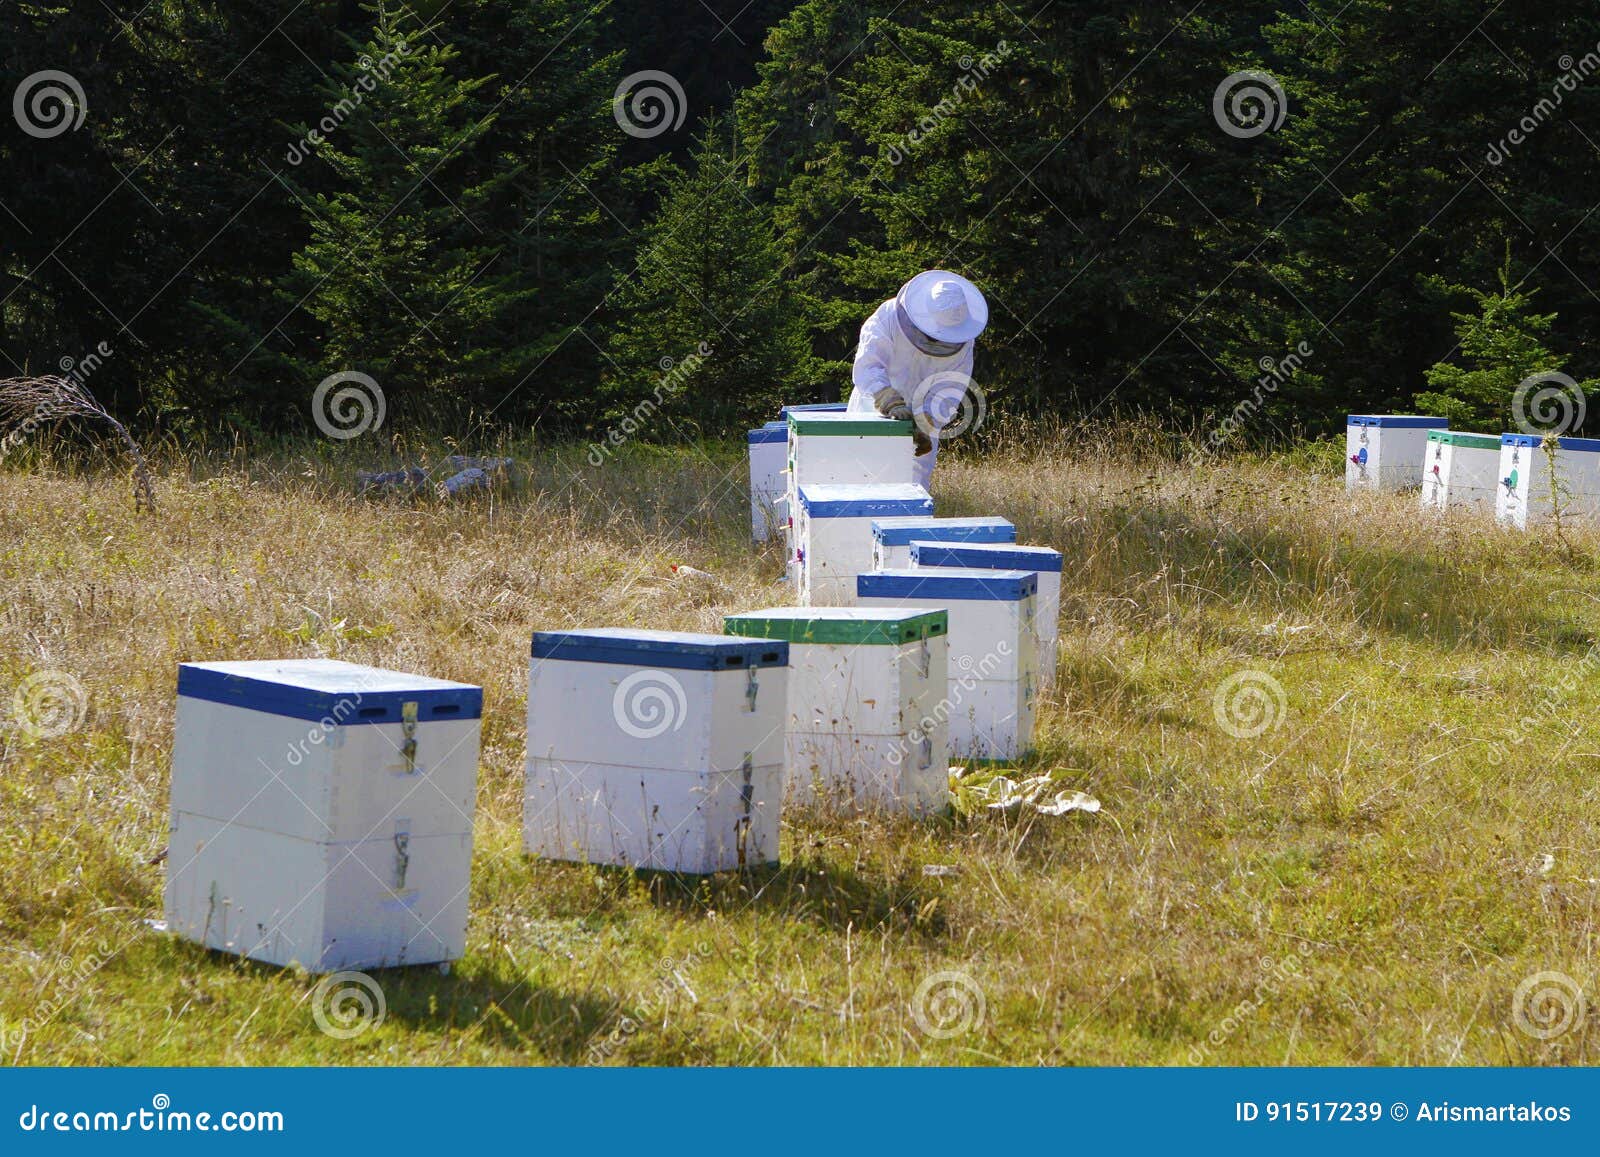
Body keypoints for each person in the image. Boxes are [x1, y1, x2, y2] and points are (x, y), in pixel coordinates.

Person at [847, 269, 989, 490]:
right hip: (870, 410)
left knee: (913, 490)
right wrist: (886, 397)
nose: (936, 341)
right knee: (860, 480)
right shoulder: (888, 316)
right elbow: (869, 364)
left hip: (919, 429)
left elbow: (949, 390)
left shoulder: (962, 340)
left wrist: (927, 422)